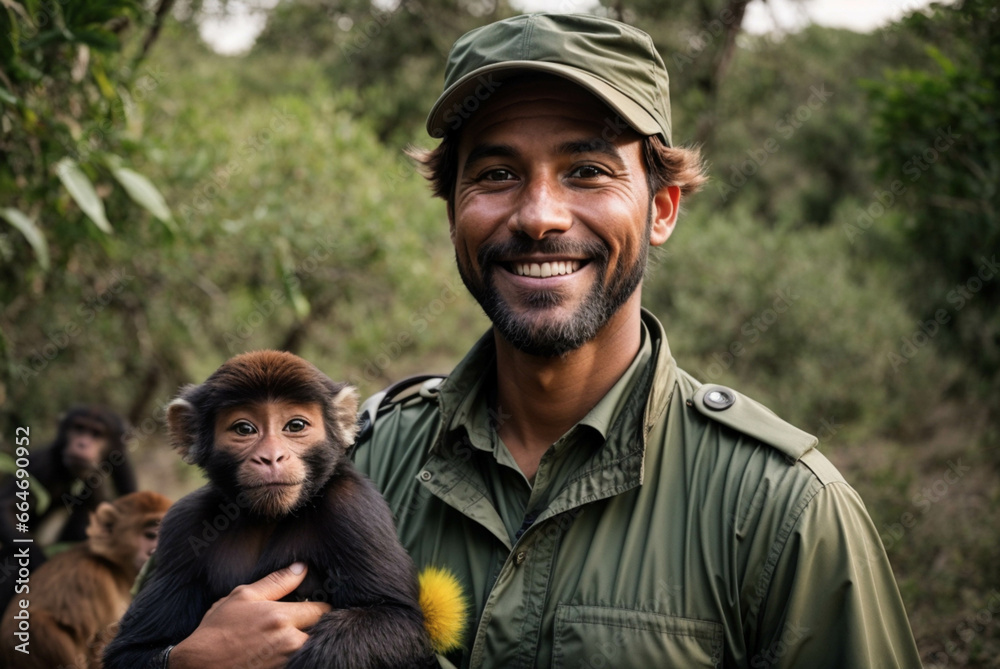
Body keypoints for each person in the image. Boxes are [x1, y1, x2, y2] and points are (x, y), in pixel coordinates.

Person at [165, 13, 921, 668]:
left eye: (587, 170)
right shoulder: (355, 461)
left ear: (661, 209)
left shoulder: (781, 508)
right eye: (495, 173)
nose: (539, 216)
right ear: (453, 208)